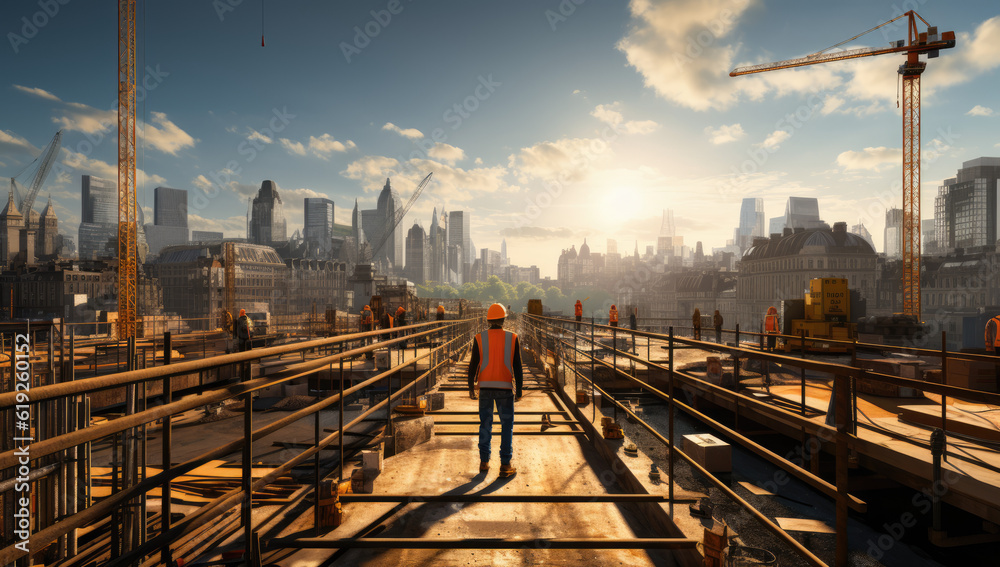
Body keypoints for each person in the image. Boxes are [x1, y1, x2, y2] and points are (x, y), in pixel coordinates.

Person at [469, 303, 523, 477]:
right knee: (506, 426)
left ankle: (484, 462)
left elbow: (473, 365)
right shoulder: (512, 338)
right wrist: (520, 389)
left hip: (484, 388)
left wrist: (471, 387)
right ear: (503, 319)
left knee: (485, 425)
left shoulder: (479, 338)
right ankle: (505, 465)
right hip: (505, 389)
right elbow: (518, 367)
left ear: (488, 320)